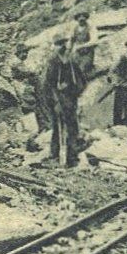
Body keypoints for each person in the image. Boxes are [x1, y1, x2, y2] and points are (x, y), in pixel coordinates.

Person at [46, 35, 88, 165]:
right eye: (58, 44)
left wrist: (76, 91)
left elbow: (82, 79)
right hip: (57, 100)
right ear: (55, 46)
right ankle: (54, 157)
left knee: (72, 128)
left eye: (63, 43)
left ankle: (72, 157)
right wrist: (56, 102)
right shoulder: (53, 62)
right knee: (57, 128)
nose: (62, 46)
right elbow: (49, 85)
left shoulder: (71, 61)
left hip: (70, 99)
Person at [70, 11, 97, 79]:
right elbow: (72, 40)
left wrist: (82, 46)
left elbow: (93, 41)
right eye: (79, 17)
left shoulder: (90, 27)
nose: (81, 18)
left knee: (82, 69)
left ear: (86, 18)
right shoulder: (75, 28)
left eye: (83, 17)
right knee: (72, 68)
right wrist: (69, 49)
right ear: (77, 19)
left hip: (88, 53)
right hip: (78, 53)